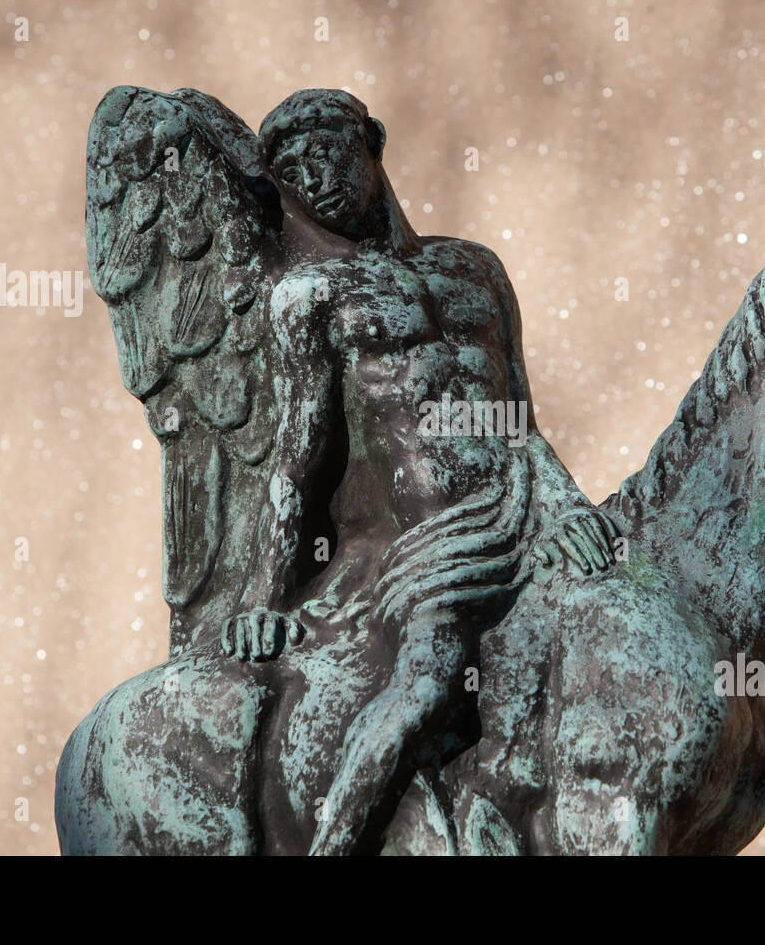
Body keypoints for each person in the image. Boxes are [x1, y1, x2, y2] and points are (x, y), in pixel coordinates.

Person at [221, 89, 619, 854]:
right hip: (431, 547)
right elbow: (300, 452)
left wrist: (567, 508)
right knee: (425, 691)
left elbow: (520, 416)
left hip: (526, 508)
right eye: (297, 170)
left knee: (645, 615)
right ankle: (334, 845)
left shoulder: (475, 268)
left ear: (371, 142)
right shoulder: (308, 295)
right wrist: (263, 595)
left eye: (331, 150)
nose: (319, 176)